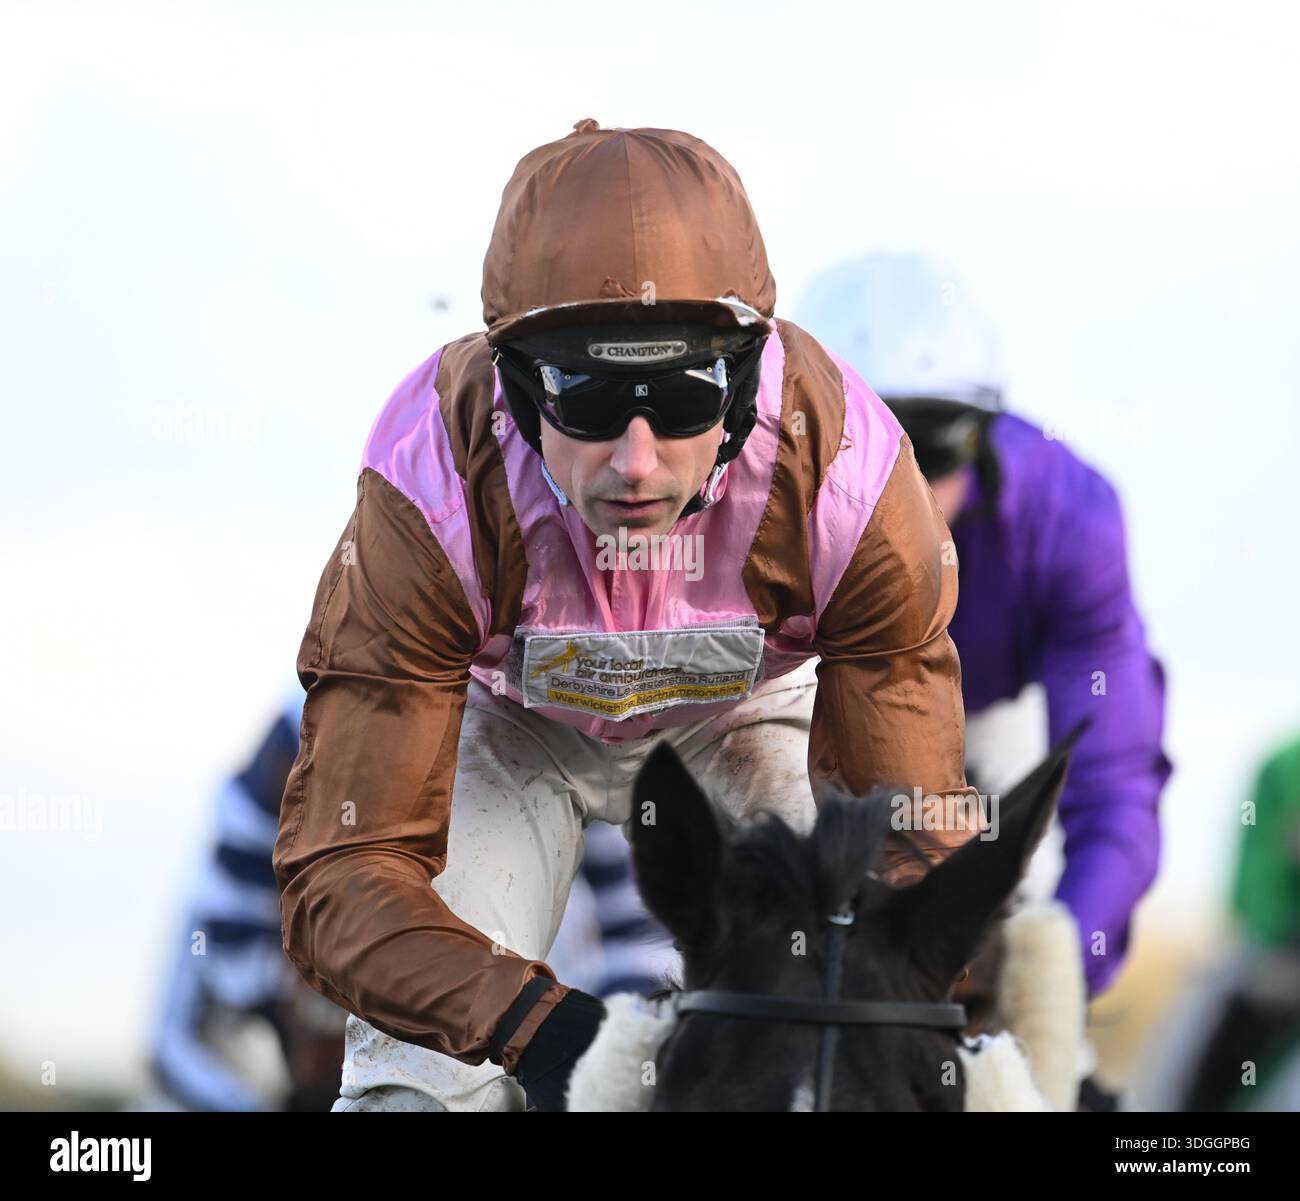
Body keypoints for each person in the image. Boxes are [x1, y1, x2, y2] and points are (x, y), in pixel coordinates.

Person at [273, 120, 983, 1113]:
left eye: (682, 396)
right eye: (591, 400)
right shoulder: (427, 479)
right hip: (513, 728)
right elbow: (342, 874)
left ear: (741, 382)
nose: (637, 461)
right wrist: (541, 1028)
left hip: (741, 716)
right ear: (514, 390)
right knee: (416, 1085)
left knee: (820, 1029)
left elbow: (913, 843)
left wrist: (960, 1017)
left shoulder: (851, 470)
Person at [795, 251, 1172, 1000]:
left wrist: (1053, 968)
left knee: (1003, 949)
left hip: (985, 717)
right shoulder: (735, 504)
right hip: (795, 705)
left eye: (929, 446)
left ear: (983, 438)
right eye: (859, 445)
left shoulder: (1071, 520)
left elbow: (1113, 786)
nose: (897, 485)